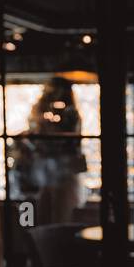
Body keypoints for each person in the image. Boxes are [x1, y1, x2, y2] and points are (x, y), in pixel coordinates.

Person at [14, 75, 87, 224]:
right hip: (42, 173)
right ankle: (35, 242)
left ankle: (47, 242)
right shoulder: (41, 113)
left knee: (58, 216)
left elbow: (70, 142)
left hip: (59, 172)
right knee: (35, 217)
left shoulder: (70, 115)